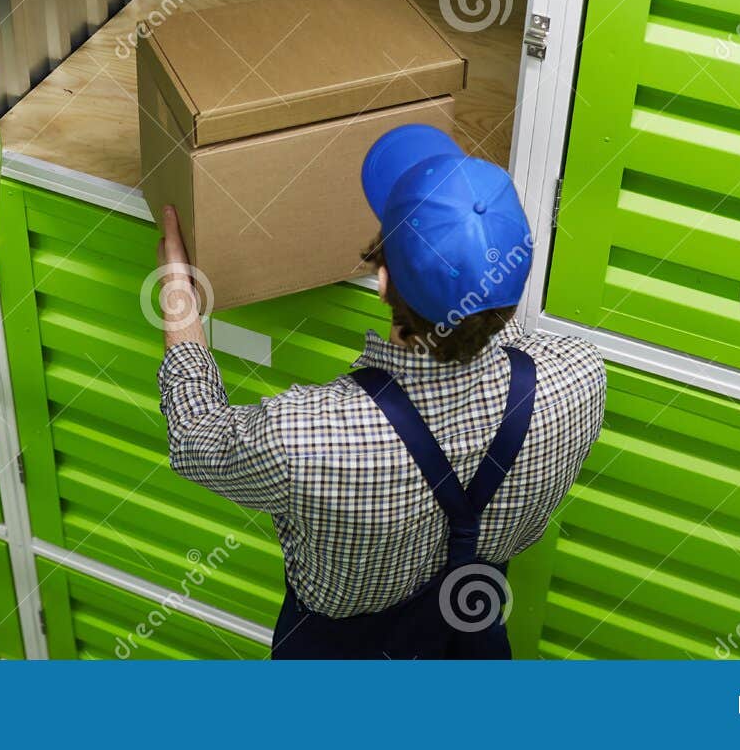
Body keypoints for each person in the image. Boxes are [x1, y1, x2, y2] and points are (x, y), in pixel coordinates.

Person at [154, 123, 606, 659]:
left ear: (384, 282)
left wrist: (179, 297)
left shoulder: (303, 438)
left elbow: (194, 436)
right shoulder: (578, 379)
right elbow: (494, 328)